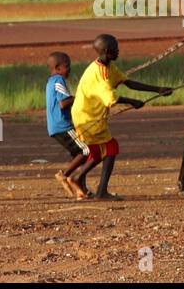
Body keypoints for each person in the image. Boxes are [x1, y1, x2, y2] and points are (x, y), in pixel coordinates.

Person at [67, 34, 172, 200]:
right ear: (108, 52)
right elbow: (112, 98)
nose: (119, 51)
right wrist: (133, 102)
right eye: (116, 49)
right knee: (110, 149)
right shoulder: (100, 74)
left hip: (89, 116)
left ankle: (78, 178)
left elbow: (128, 82)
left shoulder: (108, 66)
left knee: (98, 151)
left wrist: (158, 90)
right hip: (88, 117)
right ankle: (99, 190)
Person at [45, 52, 91, 198]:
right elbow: (64, 103)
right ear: (58, 68)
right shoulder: (58, 80)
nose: (70, 69)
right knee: (87, 151)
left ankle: (81, 190)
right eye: (67, 66)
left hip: (56, 126)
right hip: (62, 125)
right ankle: (64, 175)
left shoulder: (51, 81)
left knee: (78, 155)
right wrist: (80, 96)